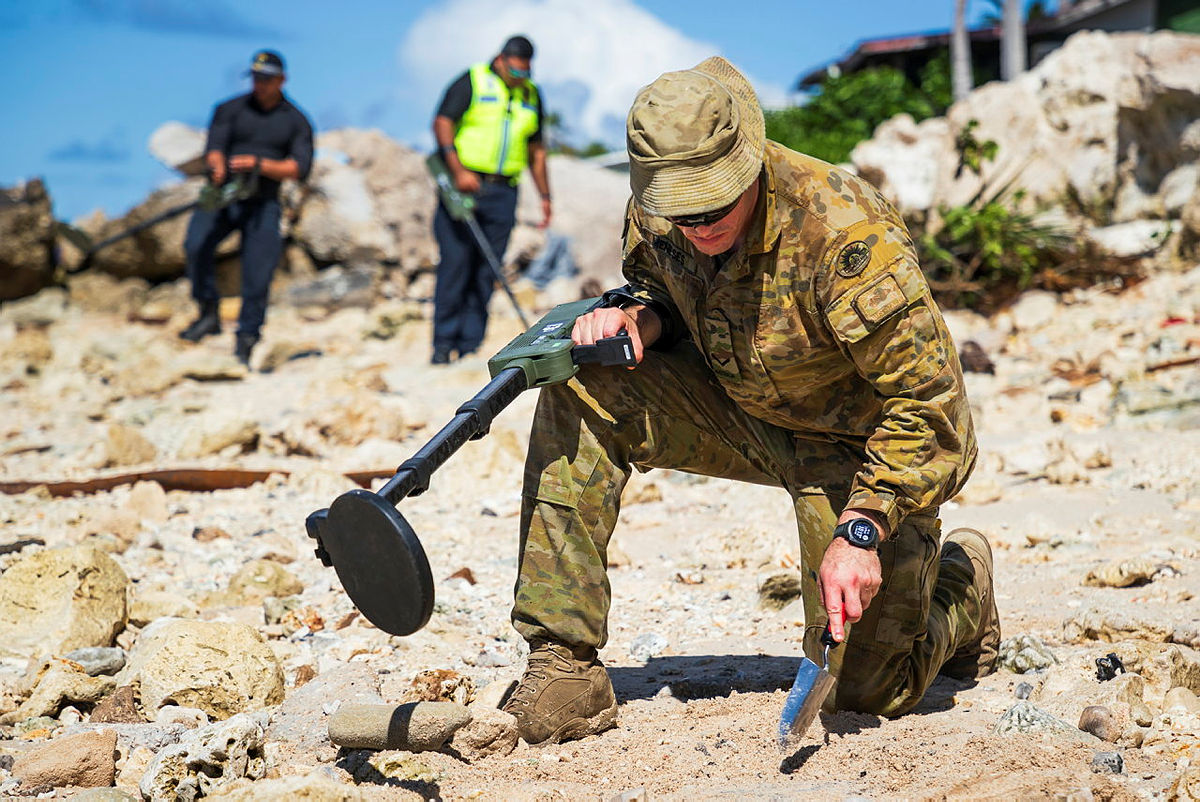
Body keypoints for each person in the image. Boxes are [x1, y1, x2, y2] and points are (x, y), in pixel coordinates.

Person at [500, 57, 1000, 745]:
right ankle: (562, 659)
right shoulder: (658, 207)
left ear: (751, 163)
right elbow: (661, 291)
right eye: (681, 208)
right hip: (740, 413)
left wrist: (862, 528)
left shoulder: (845, 237)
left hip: (860, 451)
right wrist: (640, 320)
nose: (698, 224)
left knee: (869, 692)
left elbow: (934, 409)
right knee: (584, 383)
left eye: (714, 203)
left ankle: (963, 585)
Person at [179, 49, 314, 367]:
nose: (260, 84)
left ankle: (247, 339)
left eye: (267, 79)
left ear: (282, 80)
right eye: (256, 78)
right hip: (223, 197)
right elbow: (214, 148)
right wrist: (219, 167)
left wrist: (259, 165)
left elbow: (300, 168)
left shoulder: (296, 121)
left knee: (258, 273)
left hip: (264, 202)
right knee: (195, 244)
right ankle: (208, 312)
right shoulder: (229, 109)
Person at [429, 34, 552, 365]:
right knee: (455, 263)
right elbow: (442, 122)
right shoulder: (473, 80)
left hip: (504, 191)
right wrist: (456, 169)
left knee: (488, 268)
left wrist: (545, 195)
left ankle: (471, 345)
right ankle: (442, 345)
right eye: (516, 71)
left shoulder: (531, 94)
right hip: (463, 184)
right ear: (501, 60)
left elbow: (536, 150)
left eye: (526, 72)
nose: (520, 77)